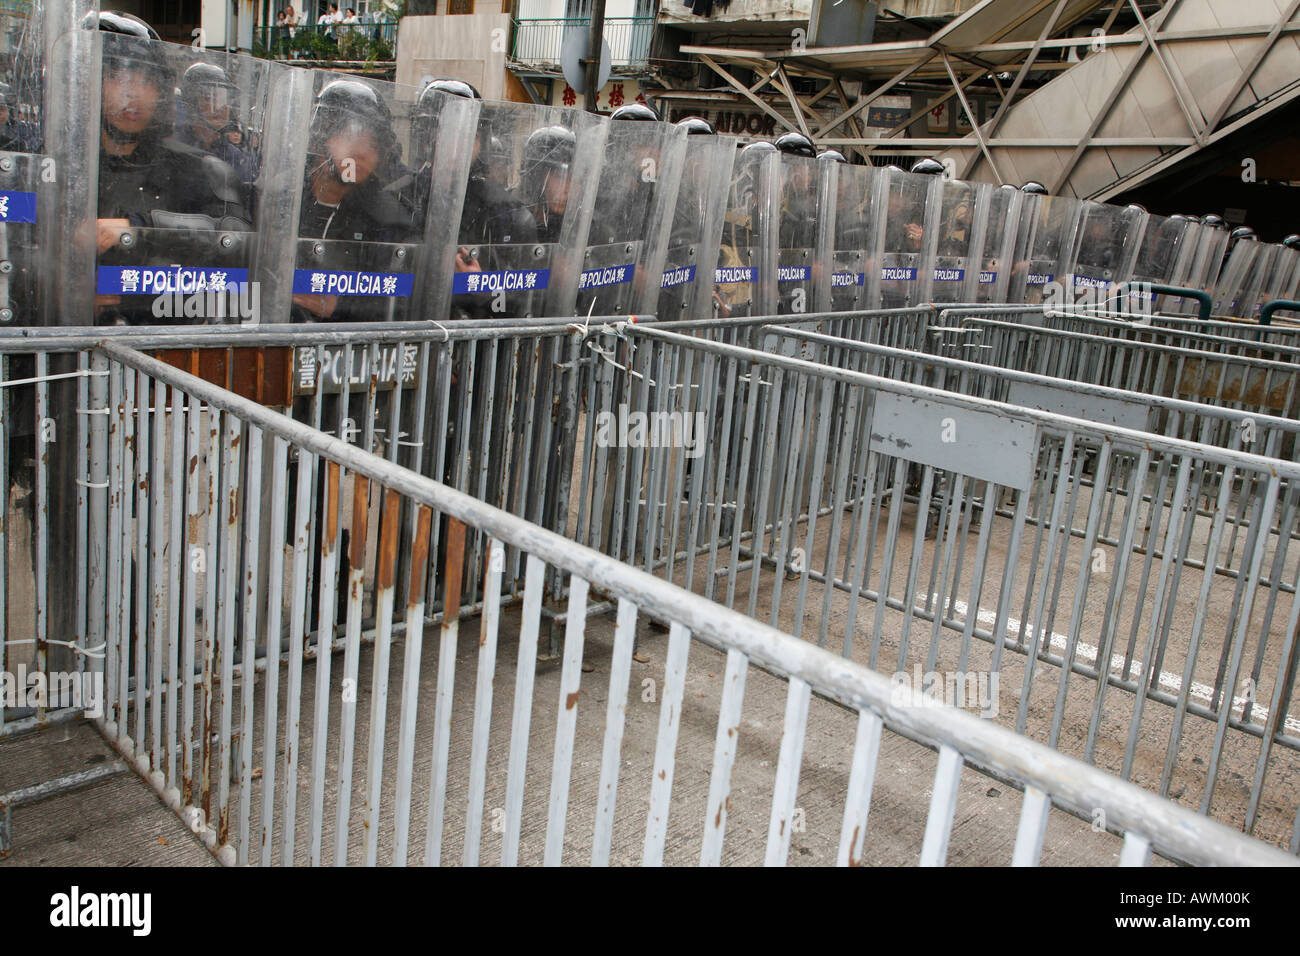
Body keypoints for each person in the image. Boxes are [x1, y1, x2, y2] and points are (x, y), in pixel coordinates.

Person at [92, 12, 250, 325]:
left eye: (147, 80)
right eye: (118, 76)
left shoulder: (197, 169)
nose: (134, 93)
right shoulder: (48, 168)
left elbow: (238, 239)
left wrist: (141, 228)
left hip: (165, 341)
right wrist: (68, 287)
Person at [292, 79, 417, 323]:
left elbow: (401, 300)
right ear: (320, 138)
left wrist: (343, 306)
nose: (361, 152)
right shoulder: (283, 202)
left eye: (372, 144)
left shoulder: (390, 222)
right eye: (349, 136)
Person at [175, 62, 259, 187]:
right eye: (209, 97)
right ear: (191, 101)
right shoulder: (174, 148)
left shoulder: (236, 156)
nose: (220, 107)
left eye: (225, 98)